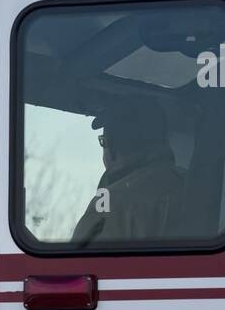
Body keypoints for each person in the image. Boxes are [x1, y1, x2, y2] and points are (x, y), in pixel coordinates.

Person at [70, 98, 184, 247]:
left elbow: (78, 265)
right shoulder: (195, 186)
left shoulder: (110, 203)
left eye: (103, 141)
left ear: (111, 147)